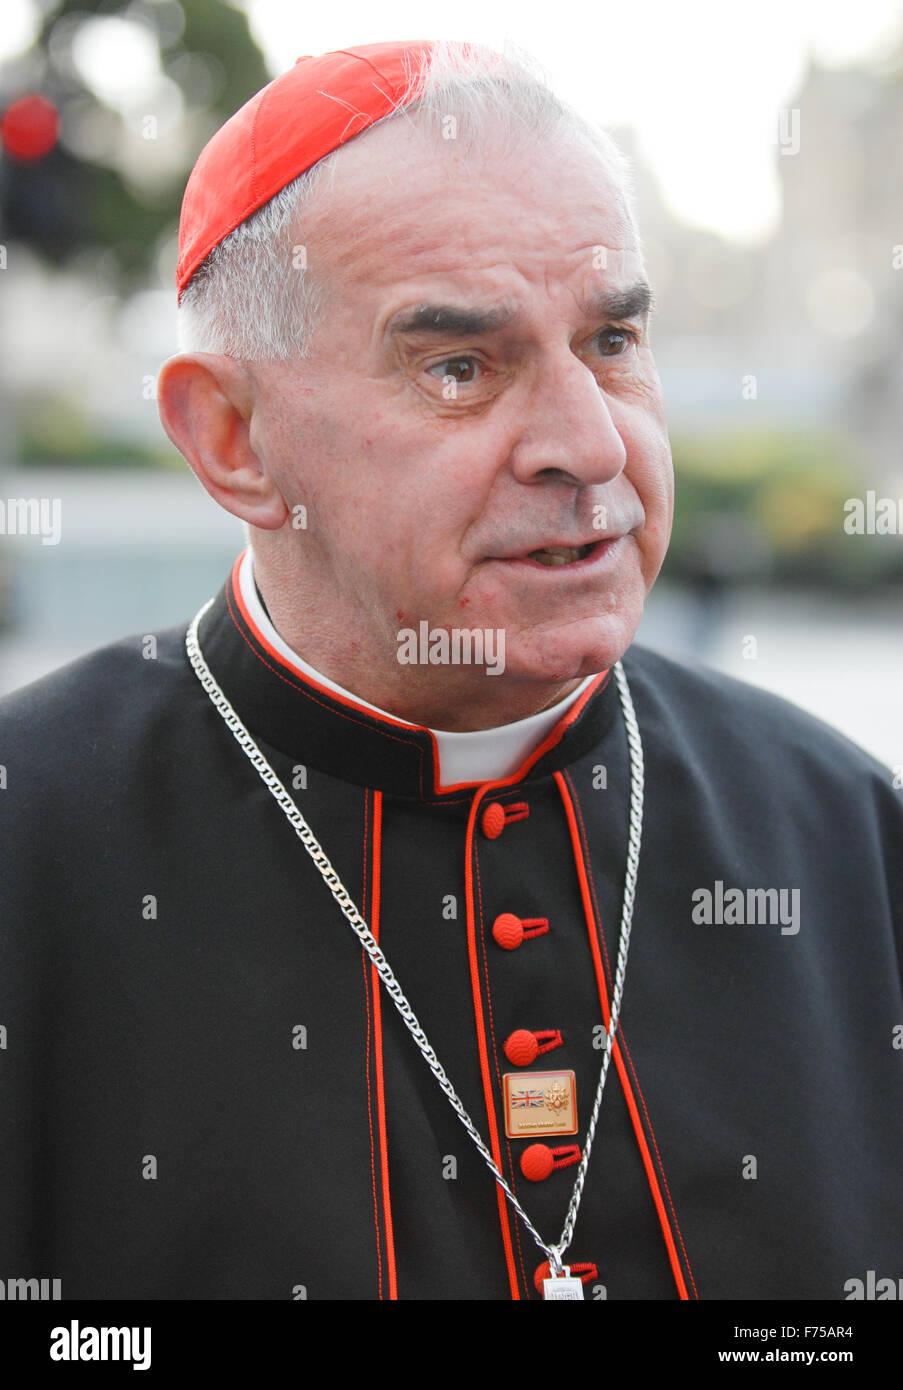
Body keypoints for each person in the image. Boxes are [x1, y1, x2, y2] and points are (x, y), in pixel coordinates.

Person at [1, 37, 900, 1303]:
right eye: (460, 367)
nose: (591, 444)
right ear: (232, 438)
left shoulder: (849, 831)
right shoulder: (27, 846)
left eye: (614, 340)